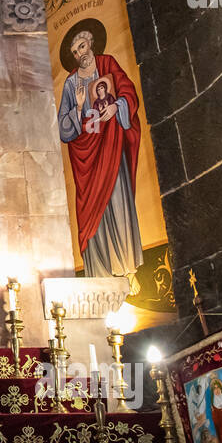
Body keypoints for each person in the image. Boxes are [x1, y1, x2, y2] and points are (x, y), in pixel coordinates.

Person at [58, 29, 143, 293]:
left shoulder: (108, 65)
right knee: (90, 213)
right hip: (86, 157)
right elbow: (62, 128)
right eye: (75, 52)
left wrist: (117, 107)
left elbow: (128, 92)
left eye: (82, 46)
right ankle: (99, 274)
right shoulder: (71, 85)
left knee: (117, 202)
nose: (80, 54)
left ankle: (127, 270)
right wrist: (77, 107)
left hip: (111, 146)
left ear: (91, 44)